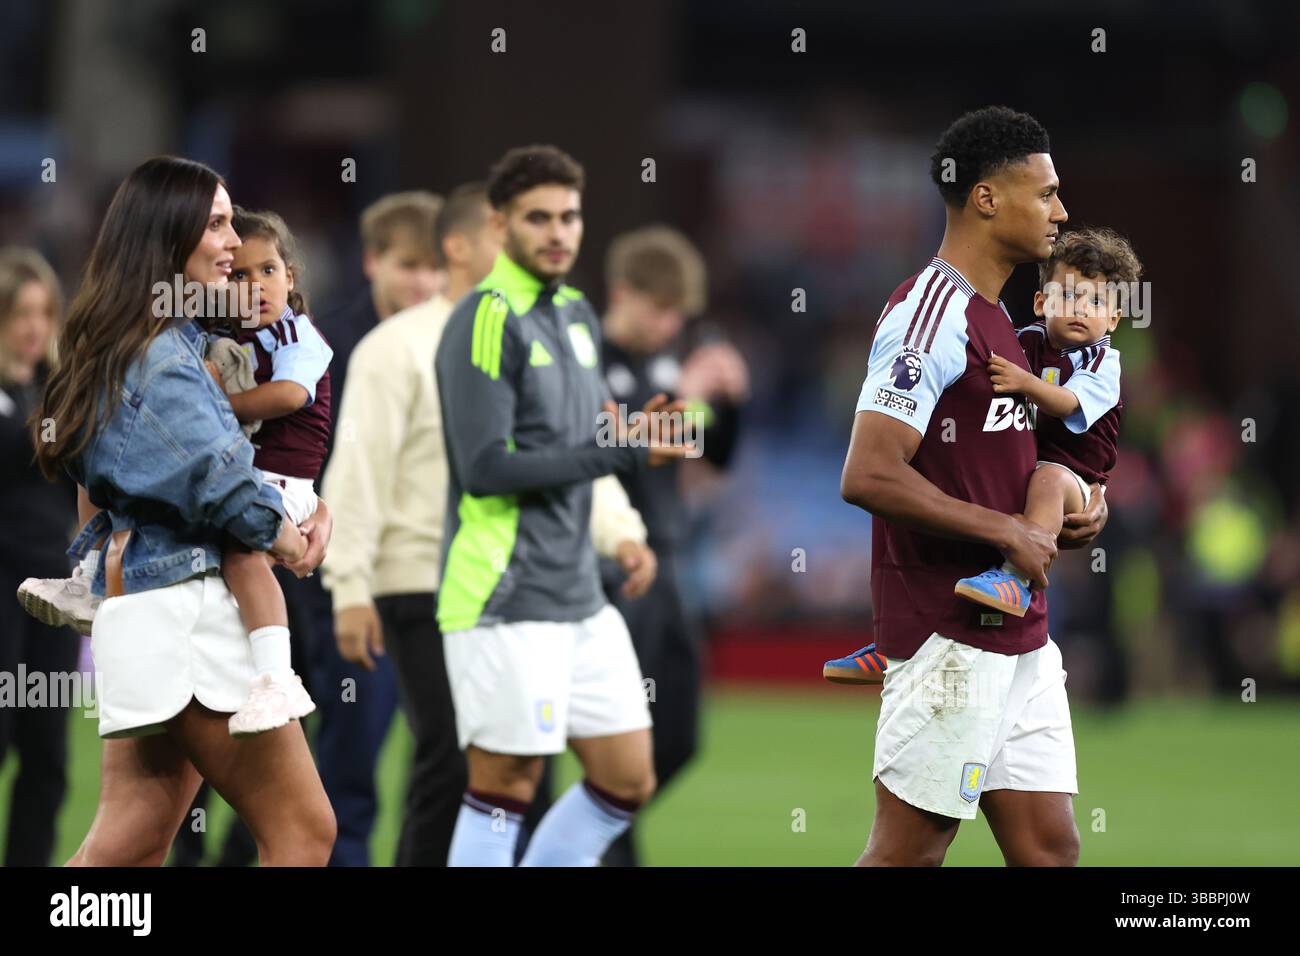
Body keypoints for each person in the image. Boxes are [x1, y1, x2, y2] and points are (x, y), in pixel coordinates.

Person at [323, 181, 653, 865]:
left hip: (532, 576)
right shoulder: (395, 346)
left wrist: (620, 529)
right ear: (462, 244)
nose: (532, 243)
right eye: (509, 232)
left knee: (528, 771)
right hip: (422, 581)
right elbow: (356, 474)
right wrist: (350, 585)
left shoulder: (543, 328)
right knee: (453, 764)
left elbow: (571, 455)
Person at [32, 155, 335, 866]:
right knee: (303, 831)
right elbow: (220, 484)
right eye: (219, 224)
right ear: (170, 237)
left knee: (130, 841)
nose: (236, 243)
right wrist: (289, 539)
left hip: (141, 605)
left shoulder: (131, 345)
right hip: (188, 610)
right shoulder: (163, 358)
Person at [838, 107, 1107, 866]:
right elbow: (868, 472)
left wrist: (1071, 502)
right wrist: (1005, 532)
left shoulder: (1001, 320)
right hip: (946, 635)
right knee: (907, 854)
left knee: (1051, 851)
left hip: (1020, 633)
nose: (1061, 211)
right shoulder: (930, 312)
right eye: (1046, 192)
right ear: (986, 198)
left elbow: (1000, 461)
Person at [435, 145, 689, 866]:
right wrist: (625, 451)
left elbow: (583, 440)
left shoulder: (577, 315)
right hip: (505, 593)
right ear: (500, 223)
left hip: (579, 593)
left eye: (569, 216)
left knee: (626, 779)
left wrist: (626, 452)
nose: (557, 232)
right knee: (506, 784)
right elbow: (485, 468)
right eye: (537, 217)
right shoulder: (484, 318)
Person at [596, 224, 748, 866]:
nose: (669, 325)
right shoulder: (588, 360)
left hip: (671, 565)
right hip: (610, 567)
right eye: (661, 310)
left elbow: (713, 455)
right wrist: (688, 394)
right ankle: (596, 843)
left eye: (678, 315)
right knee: (617, 736)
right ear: (622, 292)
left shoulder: (662, 364)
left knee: (678, 736)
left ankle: (578, 830)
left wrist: (729, 403)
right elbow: (606, 450)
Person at [308, 190, 444, 866]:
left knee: (369, 767)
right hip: (317, 581)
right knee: (322, 768)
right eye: (408, 264)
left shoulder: (457, 345)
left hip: (414, 584)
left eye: (434, 267)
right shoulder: (324, 347)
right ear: (372, 261)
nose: (423, 282)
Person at [956, 227, 1140, 613]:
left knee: (1049, 478)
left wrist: (1024, 382)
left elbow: (1068, 403)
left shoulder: (1103, 363)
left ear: (1114, 320)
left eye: (1096, 301)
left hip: (1074, 478)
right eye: (1069, 295)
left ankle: (1018, 578)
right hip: (1026, 465)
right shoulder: (1025, 339)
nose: (1080, 309)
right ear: (1042, 302)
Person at [0, 247, 80, 865]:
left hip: (53, 595)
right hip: (2, 592)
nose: (34, 326)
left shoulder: (53, 393)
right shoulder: (43, 407)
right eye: (20, 312)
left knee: (48, 756)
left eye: (43, 312)